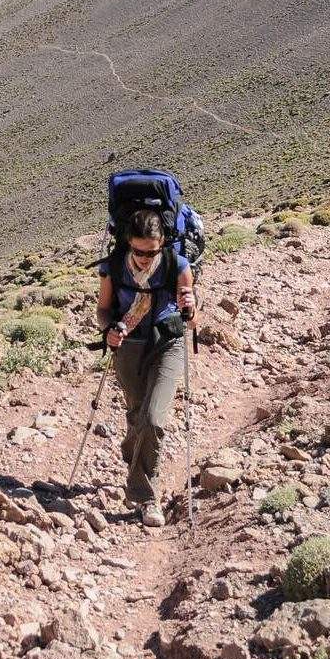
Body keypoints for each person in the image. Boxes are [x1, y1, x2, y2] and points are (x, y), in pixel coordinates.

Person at [95, 209, 193, 527]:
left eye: (151, 252)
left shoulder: (177, 266)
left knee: (152, 419)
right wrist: (109, 329)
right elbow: (103, 310)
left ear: (162, 242)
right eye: (138, 251)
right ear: (128, 242)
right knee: (137, 415)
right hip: (129, 345)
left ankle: (145, 497)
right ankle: (135, 454)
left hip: (168, 343)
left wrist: (190, 310)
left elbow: (193, 321)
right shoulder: (113, 267)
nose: (144, 258)